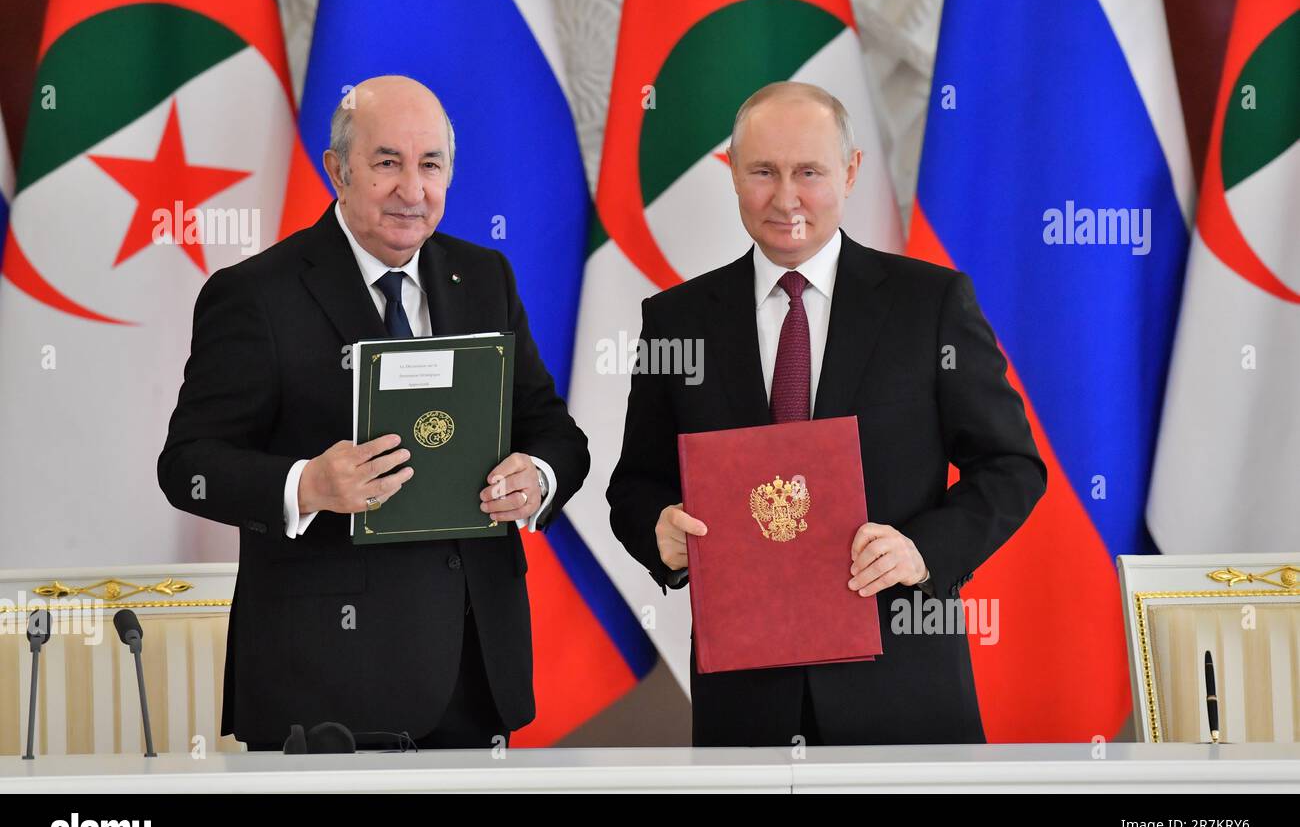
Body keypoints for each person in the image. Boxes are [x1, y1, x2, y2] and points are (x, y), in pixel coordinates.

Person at [607, 82, 1046, 746]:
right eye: (763, 172)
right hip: (745, 702)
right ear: (731, 173)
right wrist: (658, 533)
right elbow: (635, 485)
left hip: (902, 688)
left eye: (809, 172)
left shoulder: (930, 305)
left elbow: (1010, 465)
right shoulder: (677, 320)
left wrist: (923, 549)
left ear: (850, 172)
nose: (786, 199)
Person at [158, 75, 589, 750]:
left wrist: (536, 475)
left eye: (431, 165)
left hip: (473, 671)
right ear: (337, 170)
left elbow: (552, 430)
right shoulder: (255, 296)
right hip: (323, 686)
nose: (411, 191)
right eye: (387, 163)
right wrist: (308, 485)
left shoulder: (485, 279)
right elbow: (187, 467)